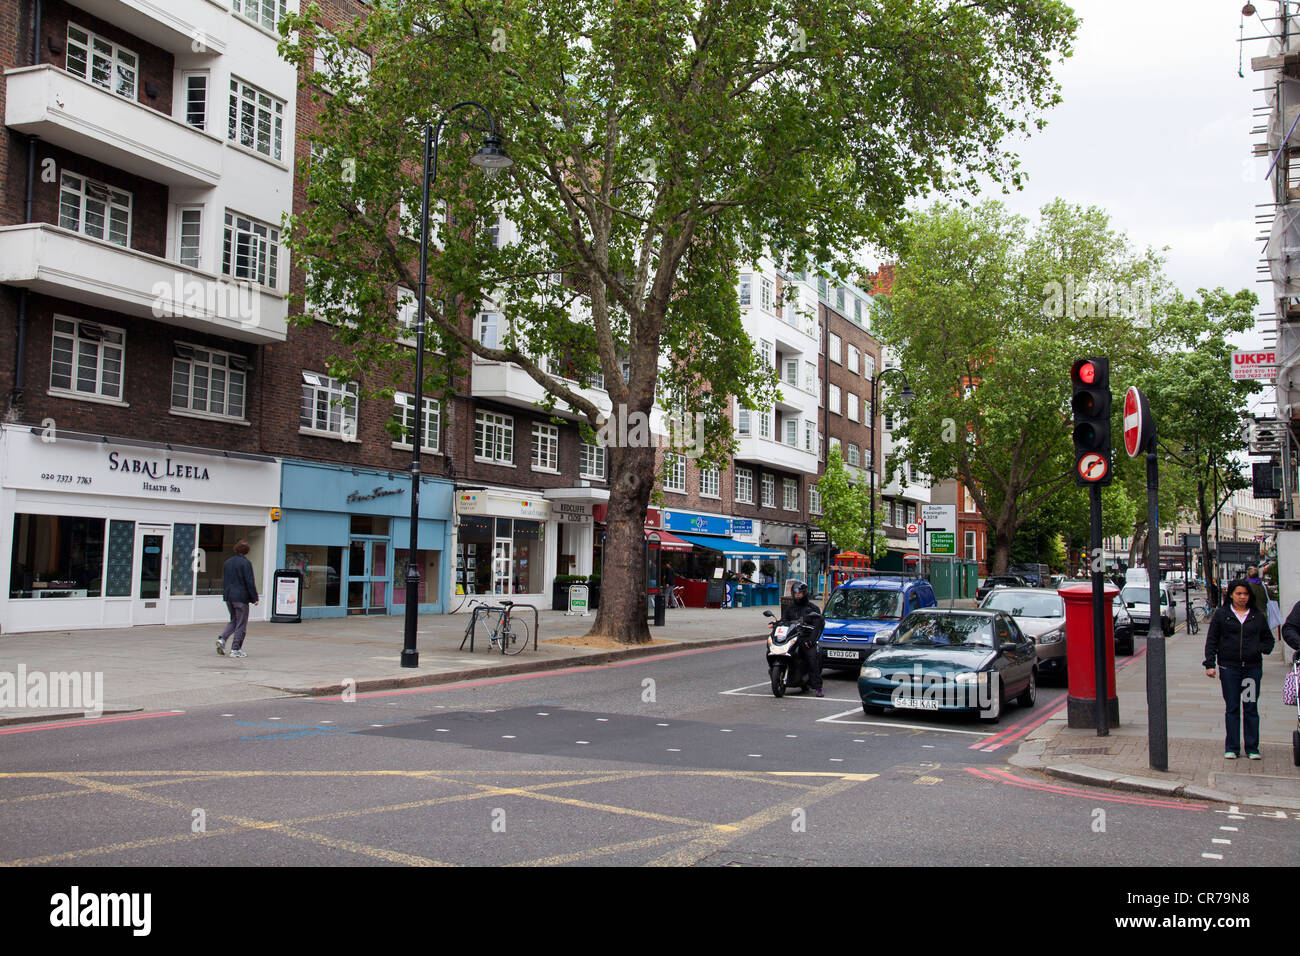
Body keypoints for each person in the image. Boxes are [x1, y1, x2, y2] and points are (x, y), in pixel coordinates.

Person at [1203, 580, 1274, 760]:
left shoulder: (1256, 616)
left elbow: (1269, 640)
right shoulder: (1222, 615)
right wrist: (1210, 664)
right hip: (1229, 669)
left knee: (1250, 707)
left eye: (1245, 594)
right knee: (1232, 707)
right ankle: (1232, 747)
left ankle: (1252, 748)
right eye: (1238, 594)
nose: (1242, 598)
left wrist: (1260, 649)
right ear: (1231, 595)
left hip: (1251, 670)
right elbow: (1212, 640)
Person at [780, 581, 824, 697]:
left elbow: (818, 625)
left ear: (805, 593)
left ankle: (818, 687)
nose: (797, 595)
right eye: (795, 593)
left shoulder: (812, 608)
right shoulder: (790, 608)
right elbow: (784, 621)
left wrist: (812, 640)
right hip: (792, 637)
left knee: (812, 658)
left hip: (806, 638)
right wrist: (776, 624)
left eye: (800, 593)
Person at [217, 540, 259, 658]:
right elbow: (249, 581)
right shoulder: (246, 563)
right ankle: (235, 649)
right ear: (247, 551)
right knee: (241, 624)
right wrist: (254, 597)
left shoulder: (228, 562)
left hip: (229, 596)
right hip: (241, 598)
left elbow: (225, 580)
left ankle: (222, 639)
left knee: (234, 620)